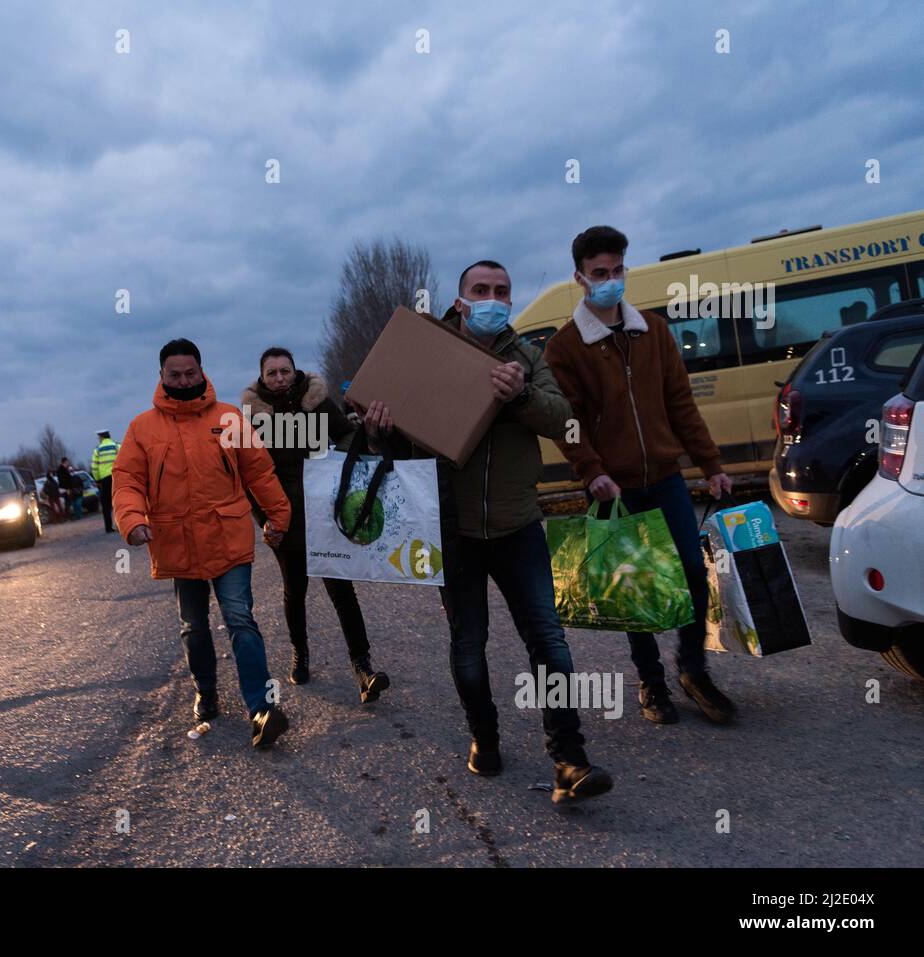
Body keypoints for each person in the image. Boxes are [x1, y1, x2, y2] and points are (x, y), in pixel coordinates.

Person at [361, 259, 612, 805]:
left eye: (502, 291)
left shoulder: (526, 358)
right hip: (454, 532)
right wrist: (381, 433)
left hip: (518, 525)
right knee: (468, 646)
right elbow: (408, 452)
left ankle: (569, 758)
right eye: (481, 290)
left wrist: (520, 395)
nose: (492, 298)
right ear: (460, 301)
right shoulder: (428, 358)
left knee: (548, 640)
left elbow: (562, 418)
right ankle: (485, 738)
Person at [544, 226, 737, 725]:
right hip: (614, 484)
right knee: (633, 590)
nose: (611, 281)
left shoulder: (653, 331)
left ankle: (693, 670)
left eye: (617, 270)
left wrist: (711, 465)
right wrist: (590, 471)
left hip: (666, 476)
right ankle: (651, 684)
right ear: (580, 278)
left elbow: (681, 404)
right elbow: (568, 422)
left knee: (693, 575)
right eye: (599, 274)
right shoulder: (565, 348)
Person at [114, 338, 293, 748]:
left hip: (228, 538)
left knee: (240, 618)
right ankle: (206, 691)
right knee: (193, 626)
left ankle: (261, 709)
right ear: (161, 376)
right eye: (174, 375)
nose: (183, 381)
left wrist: (278, 516)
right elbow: (127, 481)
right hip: (177, 544)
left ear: (201, 371)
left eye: (190, 373)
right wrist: (133, 520)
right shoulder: (142, 428)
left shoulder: (228, 418)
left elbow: (259, 473)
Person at [240, 347, 389, 703]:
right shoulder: (255, 418)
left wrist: (338, 463)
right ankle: (300, 654)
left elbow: (347, 435)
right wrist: (265, 520)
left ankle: (363, 667)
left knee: (341, 590)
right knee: (295, 590)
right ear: (262, 378)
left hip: (325, 513)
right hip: (284, 520)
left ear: (295, 372)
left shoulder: (317, 402)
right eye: (272, 372)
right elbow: (249, 475)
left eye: (285, 371)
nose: (279, 378)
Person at [91, 430, 120, 533]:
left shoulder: (98, 450)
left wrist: (97, 479)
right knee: (118, 502)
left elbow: (94, 467)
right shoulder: (116, 446)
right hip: (117, 477)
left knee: (106, 504)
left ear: (102, 438)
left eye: (99, 438)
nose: (98, 440)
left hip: (104, 480)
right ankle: (121, 525)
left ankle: (108, 527)